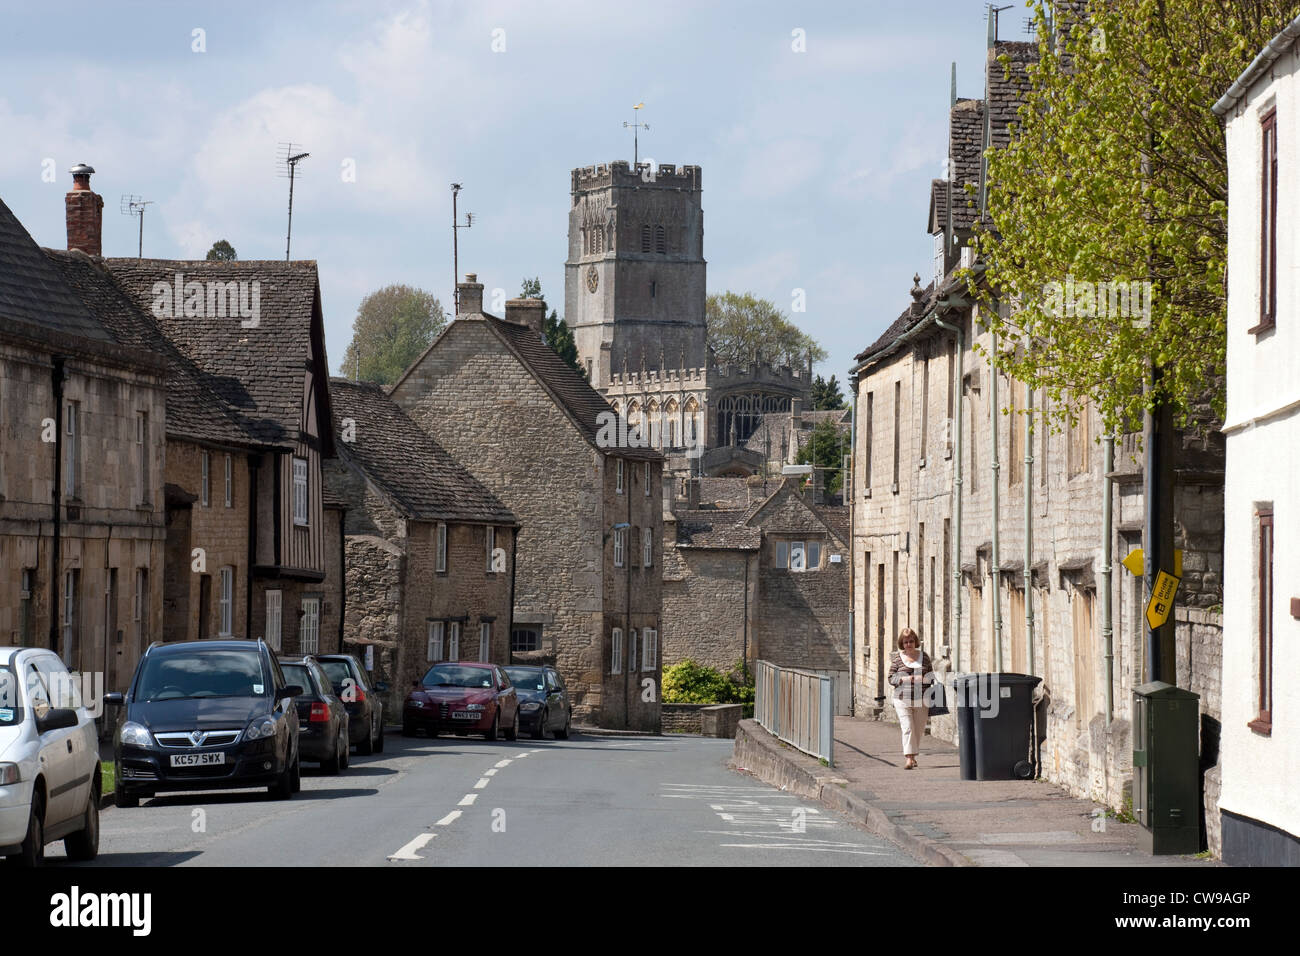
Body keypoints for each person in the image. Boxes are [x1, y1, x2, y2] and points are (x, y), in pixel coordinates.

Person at [887, 627, 933, 769]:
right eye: (906, 642)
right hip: (902, 698)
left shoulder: (924, 657)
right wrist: (905, 679)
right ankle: (909, 759)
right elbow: (890, 678)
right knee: (907, 727)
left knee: (918, 730)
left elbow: (931, 677)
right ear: (902, 643)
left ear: (915, 642)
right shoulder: (897, 659)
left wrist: (923, 679)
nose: (909, 644)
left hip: (922, 698)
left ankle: (913, 756)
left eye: (911, 641)